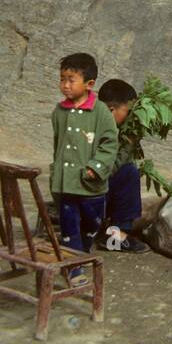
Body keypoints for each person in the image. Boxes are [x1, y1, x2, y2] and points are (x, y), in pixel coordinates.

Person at [51, 53, 119, 281]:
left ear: (89, 84)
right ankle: (74, 269)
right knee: (69, 228)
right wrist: (57, 173)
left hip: (91, 185)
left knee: (92, 224)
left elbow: (109, 144)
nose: (65, 85)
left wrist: (96, 167)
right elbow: (58, 145)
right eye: (62, 79)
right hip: (66, 183)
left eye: (71, 80)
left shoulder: (101, 113)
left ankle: (82, 249)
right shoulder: (59, 111)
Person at [97, 79, 151, 253]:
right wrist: (128, 146)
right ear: (111, 110)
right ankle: (115, 235)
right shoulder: (98, 130)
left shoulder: (110, 126)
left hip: (96, 190)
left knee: (128, 171)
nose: (130, 117)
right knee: (129, 173)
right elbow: (107, 170)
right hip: (87, 189)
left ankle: (111, 226)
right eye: (127, 112)